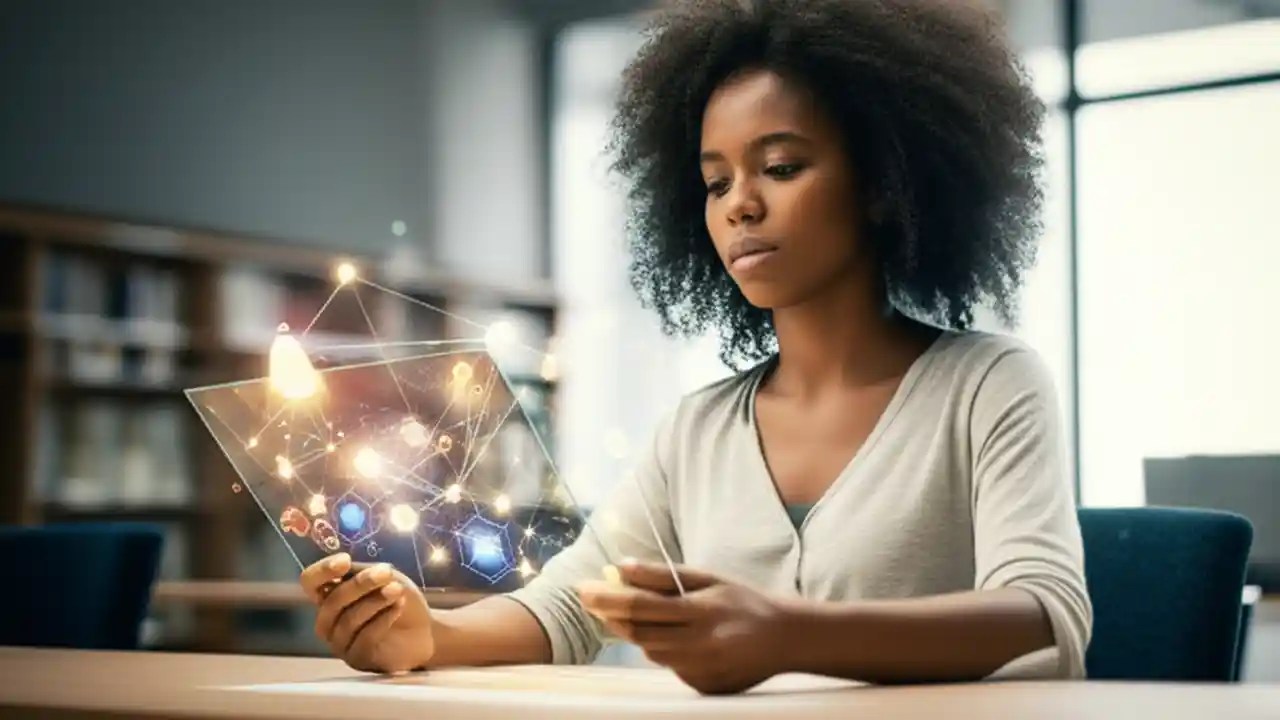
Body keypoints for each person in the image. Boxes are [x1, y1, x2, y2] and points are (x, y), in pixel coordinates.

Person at [299, 0, 1091, 694]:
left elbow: (1043, 614)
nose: (740, 205)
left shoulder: (987, 385)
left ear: (885, 184)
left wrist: (785, 635)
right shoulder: (699, 430)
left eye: (780, 166)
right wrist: (427, 635)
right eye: (716, 183)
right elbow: (570, 606)